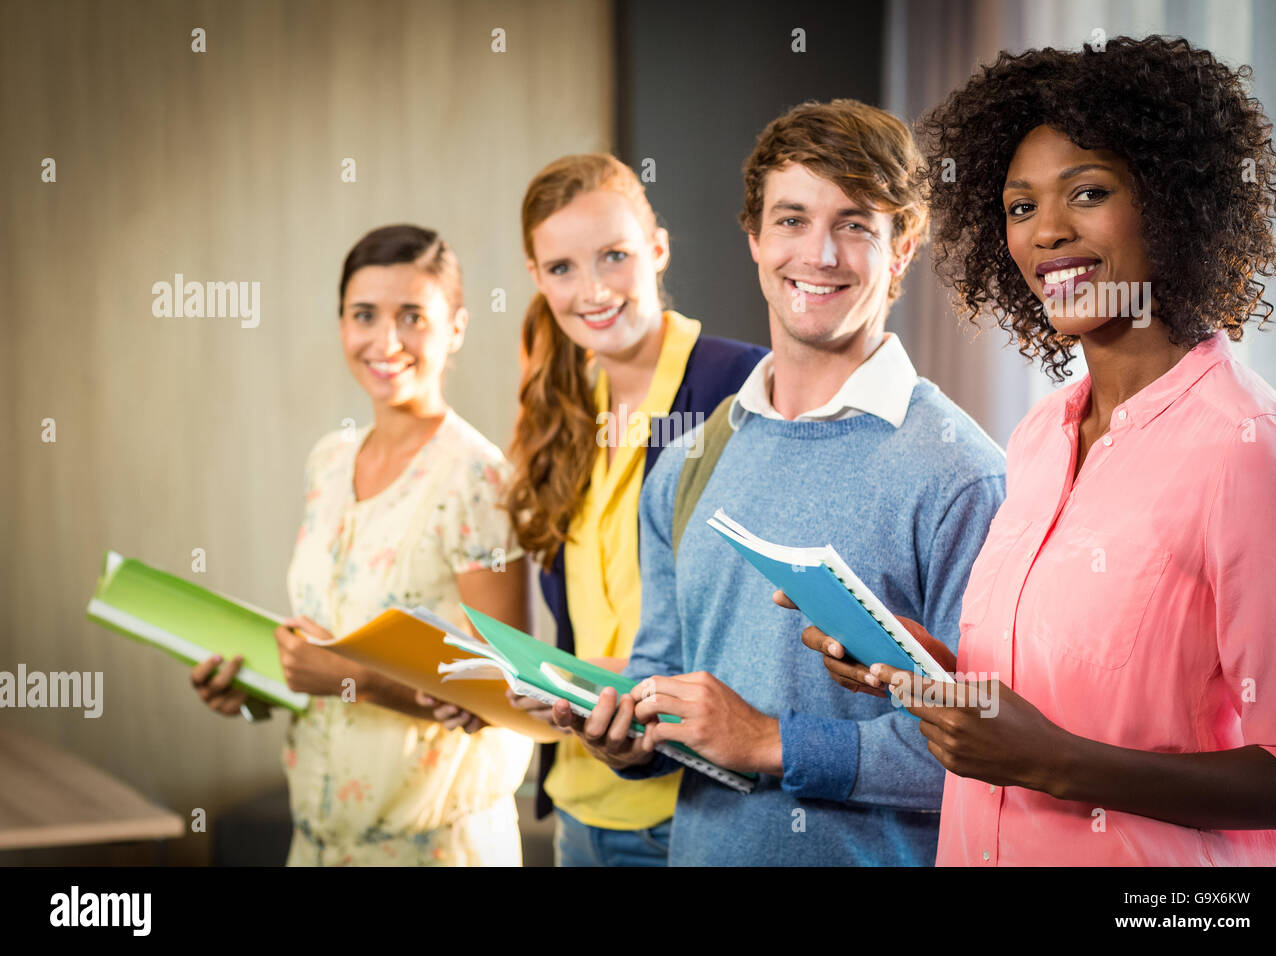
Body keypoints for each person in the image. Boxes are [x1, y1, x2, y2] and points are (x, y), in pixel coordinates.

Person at [800, 36, 1276, 865]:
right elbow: (1058, 689)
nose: (1047, 233)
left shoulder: (1242, 451)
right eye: (1020, 207)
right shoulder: (1038, 438)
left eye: (1088, 193)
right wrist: (924, 666)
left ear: (1173, 203)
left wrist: (1057, 766)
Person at [552, 102, 1007, 865]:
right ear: (756, 239)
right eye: (792, 220)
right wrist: (628, 738)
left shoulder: (963, 473)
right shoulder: (692, 460)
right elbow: (663, 680)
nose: (819, 253)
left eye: (856, 224)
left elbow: (989, 745)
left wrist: (768, 741)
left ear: (903, 249)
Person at [191, 224, 534, 866]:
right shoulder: (328, 461)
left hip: (434, 849)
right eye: (364, 315)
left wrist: (353, 679)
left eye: (413, 317)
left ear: (456, 327)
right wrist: (257, 691)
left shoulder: (476, 478)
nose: (387, 341)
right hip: (320, 845)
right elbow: (326, 644)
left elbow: (508, 693)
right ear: (341, 323)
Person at [502, 153, 766, 866]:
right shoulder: (562, 412)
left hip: (693, 809)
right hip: (582, 809)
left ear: (657, 249)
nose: (591, 290)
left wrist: (622, 674)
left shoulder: (739, 385)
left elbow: (768, 615)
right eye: (561, 268)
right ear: (535, 277)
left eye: (614, 256)